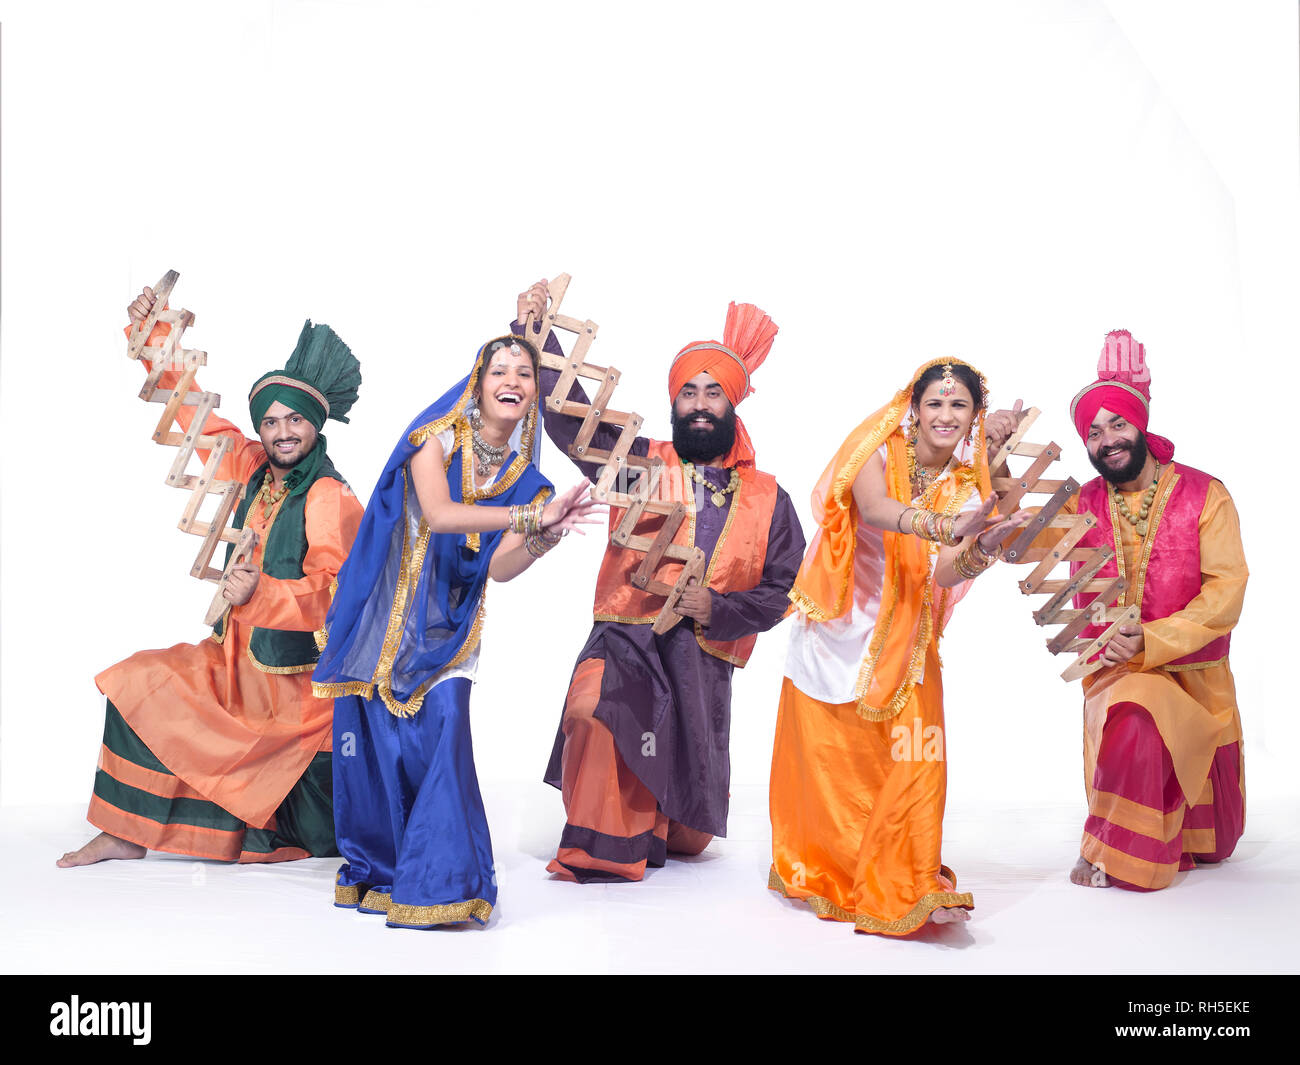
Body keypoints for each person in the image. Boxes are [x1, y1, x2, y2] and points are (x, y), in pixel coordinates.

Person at [58, 284, 364, 867]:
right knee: (136, 682)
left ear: (317, 425)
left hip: (294, 695)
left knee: (309, 823)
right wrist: (153, 337)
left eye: (294, 420)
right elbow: (195, 416)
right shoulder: (252, 468)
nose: (281, 433)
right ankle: (126, 832)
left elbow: (337, 596)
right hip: (234, 661)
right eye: (270, 422)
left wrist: (261, 592)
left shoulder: (330, 495)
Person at [514, 280, 807, 883]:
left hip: (697, 657)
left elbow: (785, 588)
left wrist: (718, 607)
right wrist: (533, 338)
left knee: (688, 835)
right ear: (674, 402)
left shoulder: (768, 496)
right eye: (689, 392)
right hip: (625, 637)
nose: (701, 403)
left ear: (733, 405)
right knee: (594, 712)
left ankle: (658, 822)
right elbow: (572, 424)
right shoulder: (640, 464)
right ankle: (599, 846)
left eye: (714, 393)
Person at [312, 334, 601, 928]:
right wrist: (530, 517)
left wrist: (547, 534)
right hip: (381, 621)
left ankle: (441, 884)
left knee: (445, 732)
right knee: (379, 747)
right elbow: (440, 515)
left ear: (534, 393)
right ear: (478, 381)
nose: (513, 381)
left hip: (449, 631)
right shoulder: (433, 443)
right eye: (501, 370)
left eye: (525, 373)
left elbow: (500, 567)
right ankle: (384, 871)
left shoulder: (530, 482)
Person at [768, 358, 1030, 935]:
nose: (944, 415)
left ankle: (902, 884)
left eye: (958, 405)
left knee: (917, 755)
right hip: (839, 622)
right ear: (913, 409)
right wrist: (940, 526)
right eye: (934, 403)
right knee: (834, 758)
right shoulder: (880, 444)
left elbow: (945, 572)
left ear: (972, 418)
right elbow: (874, 509)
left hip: (908, 631)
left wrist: (985, 547)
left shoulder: (968, 484)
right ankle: (832, 872)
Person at [1064, 329, 1247, 891]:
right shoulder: (1081, 505)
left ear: (1141, 425)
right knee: (1137, 705)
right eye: (1093, 433)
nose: (1108, 441)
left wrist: (1153, 640)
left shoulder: (1204, 494)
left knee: (1215, 844)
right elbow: (1026, 548)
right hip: (1120, 678)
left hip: (1198, 682)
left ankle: (1125, 838)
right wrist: (990, 453)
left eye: (1117, 424)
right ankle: (1118, 852)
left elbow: (1227, 591)